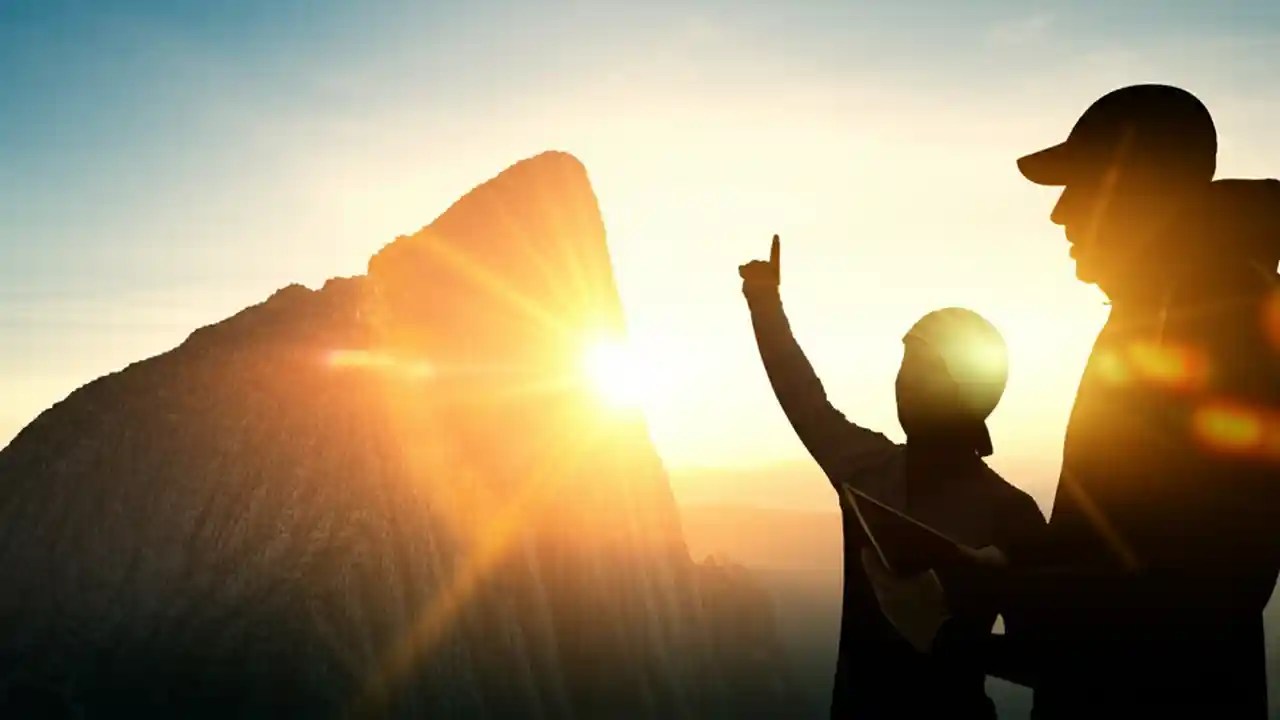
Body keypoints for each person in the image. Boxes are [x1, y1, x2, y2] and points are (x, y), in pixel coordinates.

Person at [864, 84, 1280, 717]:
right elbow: (1122, 540)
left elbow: (1176, 613)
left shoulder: (1226, 333)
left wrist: (948, 639)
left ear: (1139, 195)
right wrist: (997, 563)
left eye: (1079, 186)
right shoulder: (1163, 315)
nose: (1059, 213)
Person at [739, 235, 1045, 719]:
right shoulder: (870, 469)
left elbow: (1047, 659)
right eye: (903, 367)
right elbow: (802, 395)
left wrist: (944, 633)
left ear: (963, 389)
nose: (902, 382)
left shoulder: (1008, 513)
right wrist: (764, 302)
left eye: (920, 370)